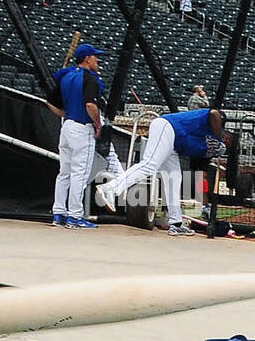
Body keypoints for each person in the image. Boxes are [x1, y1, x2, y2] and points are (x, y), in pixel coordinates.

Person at [96, 107, 229, 236]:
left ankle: (176, 223)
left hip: (173, 143)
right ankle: (110, 188)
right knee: (149, 164)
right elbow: (214, 113)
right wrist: (219, 137)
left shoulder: (203, 138)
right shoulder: (210, 119)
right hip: (166, 127)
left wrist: (212, 148)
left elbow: (198, 153)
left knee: (174, 178)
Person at [46, 44, 108, 228]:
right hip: (82, 127)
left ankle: (58, 213)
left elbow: (48, 101)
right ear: (87, 58)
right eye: (95, 57)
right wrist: (97, 124)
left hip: (67, 126)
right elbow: (90, 105)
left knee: (64, 173)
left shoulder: (66, 75)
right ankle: (74, 215)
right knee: (79, 174)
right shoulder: (90, 78)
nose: (98, 60)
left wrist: (65, 115)